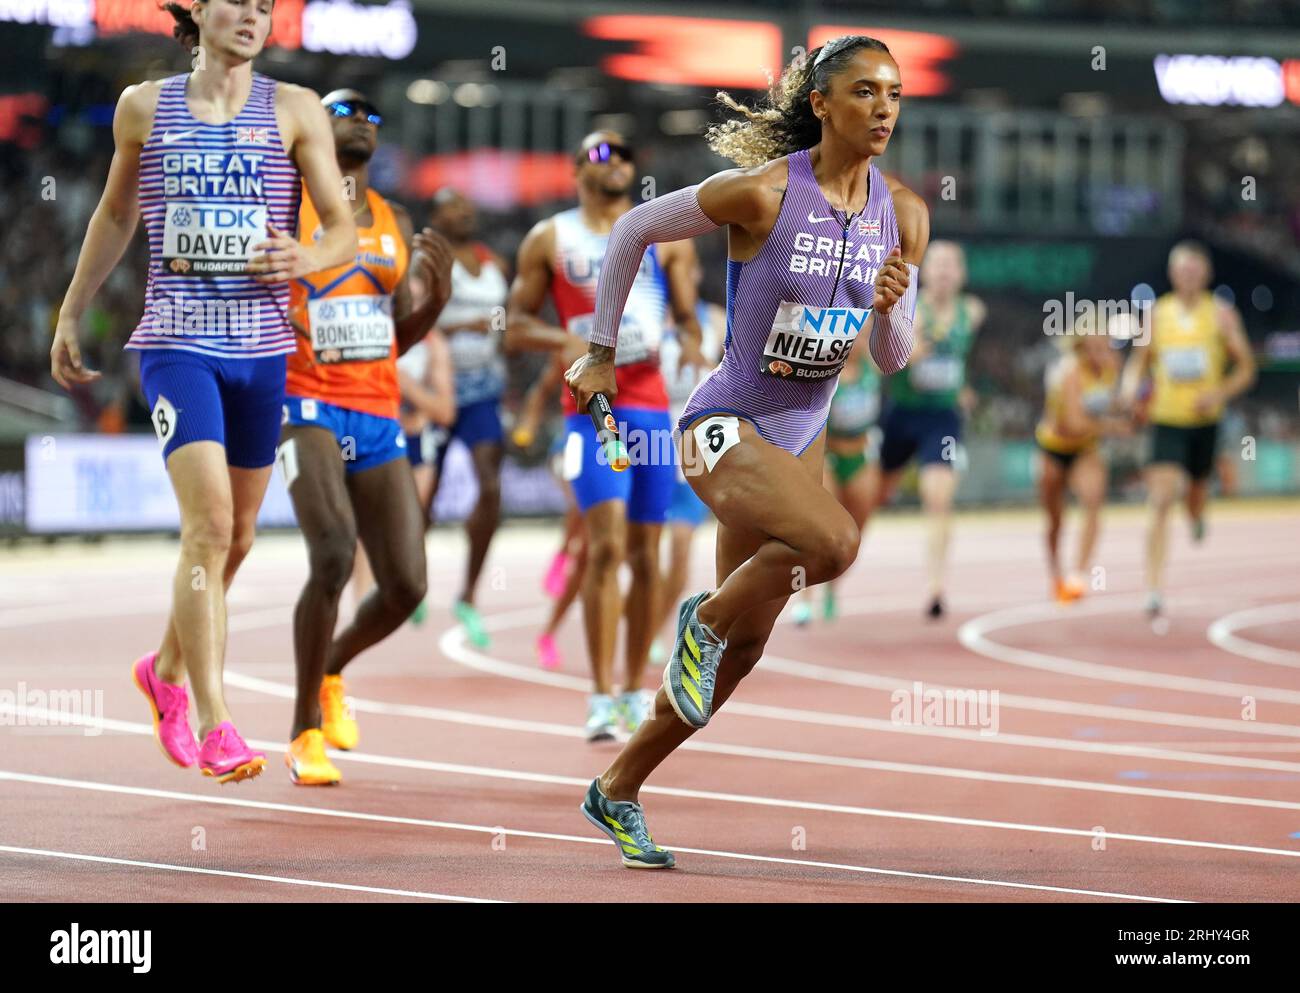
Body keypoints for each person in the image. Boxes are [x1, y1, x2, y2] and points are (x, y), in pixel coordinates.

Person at [566, 35, 925, 867]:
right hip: (722, 427)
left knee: (747, 649)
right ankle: (703, 617)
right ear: (823, 104)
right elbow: (631, 230)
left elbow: (892, 357)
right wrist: (601, 349)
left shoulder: (902, 212)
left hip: (798, 447)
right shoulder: (762, 194)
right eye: (865, 91)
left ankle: (615, 787)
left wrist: (892, 308)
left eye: (895, 94)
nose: (884, 108)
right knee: (834, 542)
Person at [50, 0, 357, 783]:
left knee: (241, 534)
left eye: (266, 7)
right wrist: (72, 310)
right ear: (198, 9)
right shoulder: (142, 107)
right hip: (176, 341)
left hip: (261, 349)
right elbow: (117, 214)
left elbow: (340, 229)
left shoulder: (294, 110)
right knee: (211, 526)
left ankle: (162, 669)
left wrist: (309, 258)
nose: (252, 16)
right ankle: (215, 719)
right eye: (239, 2)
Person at [507, 130, 706, 742]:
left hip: (650, 409)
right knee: (604, 546)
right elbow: (514, 324)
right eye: (599, 152)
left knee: (646, 554)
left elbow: (688, 318)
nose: (614, 161)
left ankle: (630, 690)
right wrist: (565, 341)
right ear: (575, 170)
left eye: (624, 153)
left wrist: (693, 347)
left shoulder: (659, 237)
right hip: (589, 411)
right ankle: (598, 696)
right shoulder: (551, 237)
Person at [279, 88, 453, 783]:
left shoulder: (394, 220)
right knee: (329, 554)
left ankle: (329, 668)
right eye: (344, 110)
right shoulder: (284, 203)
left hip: (377, 412)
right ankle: (302, 731)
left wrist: (435, 301)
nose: (361, 122)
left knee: (408, 585)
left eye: (372, 116)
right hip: (304, 402)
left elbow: (395, 338)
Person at [1120, 241, 1256, 619]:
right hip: (1166, 419)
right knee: (1162, 497)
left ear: (1206, 275)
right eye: (1182, 270)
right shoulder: (1155, 315)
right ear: (1172, 274)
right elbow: (1138, 361)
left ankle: (1197, 515)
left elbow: (1246, 369)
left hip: (1205, 423)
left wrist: (1219, 392)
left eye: (1195, 270)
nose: (1188, 276)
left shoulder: (1222, 315)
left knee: (1195, 494)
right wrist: (1130, 387)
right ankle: (1153, 588)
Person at [870, 240, 984, 619]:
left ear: (962, 274)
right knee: (873, 497)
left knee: (938, 498)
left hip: (943, 418)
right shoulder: (911, 312)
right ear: (924, 272)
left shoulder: (973, 311)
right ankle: (831, 576)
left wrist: (961, 386)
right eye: (937, 265)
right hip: (902, 414)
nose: (945, 272)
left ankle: (936, 588)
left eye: (952, 265)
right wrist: (915, 348)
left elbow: (959, 358)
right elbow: (892, 360)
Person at [427, 190, 511, 647]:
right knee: (424, 496)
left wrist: (503, 336)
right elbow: (410, 323)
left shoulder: (494, 264)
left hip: (484, 390)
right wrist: (464, 327)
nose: (464, 211)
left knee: (491, 489)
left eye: (468, 205)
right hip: (437, 390)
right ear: (436, 216)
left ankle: (469, 593)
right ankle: (412, 581)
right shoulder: (429, 262)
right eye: (453, 206)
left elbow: (505, 322)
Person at [348, 323, 456, 625]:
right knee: (367, 530)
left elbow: (445, 411)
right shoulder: (375, 332)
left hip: (417, 445)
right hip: (378, 434)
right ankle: (360, 609)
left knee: (406, 527)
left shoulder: (433, 345)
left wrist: (408, 387)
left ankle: (406, 585)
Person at [1034, 316, 1130, 603]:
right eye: (1094, 347)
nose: (1102, 352)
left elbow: (1112, 404)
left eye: (1106, 346)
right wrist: (1114, 427)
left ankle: (1078, 575)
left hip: (1085, 449)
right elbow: (1073, 423)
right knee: (1055, 520)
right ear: (1082, 347)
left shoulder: (1113, 367)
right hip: (1053, 447)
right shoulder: (1071, 372)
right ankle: (1056, 576)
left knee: (1093, 502)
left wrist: (1126, 410)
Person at [792, 344, 883, 624]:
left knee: (856, 528)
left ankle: (833, 585)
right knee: (819, 527)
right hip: (827, 453)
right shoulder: (826, 368)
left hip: (860, 453)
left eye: (867, 330)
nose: (861, 337)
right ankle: (805, 597)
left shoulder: (874, 365)